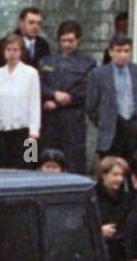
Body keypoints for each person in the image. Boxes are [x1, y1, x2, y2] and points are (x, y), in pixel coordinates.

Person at [38, 21, 95, 174]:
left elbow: (85, 89)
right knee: (47, 159)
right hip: (49, 121)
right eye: (63, 40)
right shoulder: (46, 61)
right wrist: (53, 94)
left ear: (78, 40)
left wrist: (58, 103)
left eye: (71, 41)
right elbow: (39, 84)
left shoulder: (88, 63)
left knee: (74, 162)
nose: (67, 45)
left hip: (73, 121)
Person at [87, 34, 137, 161]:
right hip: (112, 130)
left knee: (136, 166)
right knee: (111, 167)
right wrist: (105, 122)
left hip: (135, 128)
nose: (123, 55)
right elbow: (91, 106)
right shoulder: (99, 74)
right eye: (119, 51)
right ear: (111, 52)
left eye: (126, 51)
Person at [0, 34, 40, 169]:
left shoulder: (31, 73)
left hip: (25, 133)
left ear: (21, 52)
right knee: (0, 168)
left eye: (15, 50)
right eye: (8, 50)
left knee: (28, 167)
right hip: (0, 133)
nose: (12, 53)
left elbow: (35, 104)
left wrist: (34, 131)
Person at [0, 7, 49, 90]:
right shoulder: (4, 44)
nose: (35, 26)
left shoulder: (43, 45)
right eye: (31, 22)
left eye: (39, 23)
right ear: (21, 23)